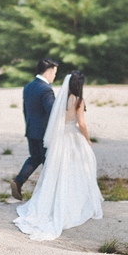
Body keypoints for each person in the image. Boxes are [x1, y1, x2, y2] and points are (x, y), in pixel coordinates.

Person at [13, 71, 104, 241]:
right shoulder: (78, 100)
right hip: (73, 136)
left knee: (58, 170)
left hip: (61, 139)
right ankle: (75, 203)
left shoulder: (60, 100)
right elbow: (82, 124)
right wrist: (88, 139)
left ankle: (54, 200)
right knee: (79, 169)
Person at [10, 58, 58, 201]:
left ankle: (18, 181)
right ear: (48, 72)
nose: (54, 77)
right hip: (44, 132)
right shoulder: (46, 89)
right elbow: (52, 112)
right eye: (54, 73)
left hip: (31, 129)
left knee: (34, 158)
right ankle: (49, 195)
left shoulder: (28, 86)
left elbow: (26, 110)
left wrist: (29, 126)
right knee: (49, 163)